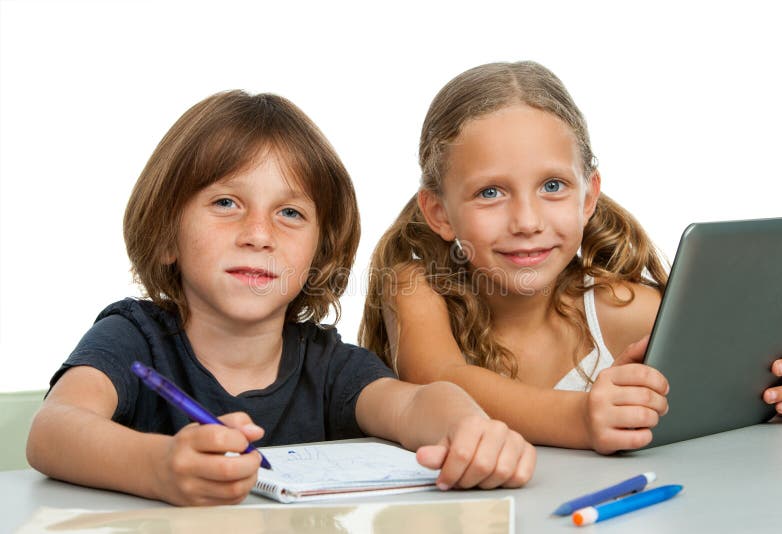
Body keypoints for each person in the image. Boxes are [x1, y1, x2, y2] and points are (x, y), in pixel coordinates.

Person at [26, 91, 535, 506]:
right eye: (226, 203)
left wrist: (470, 430)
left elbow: (417, 403)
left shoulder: (328, 366)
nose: (258, 234)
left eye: (289, 213)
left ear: (320, 254)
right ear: (165, 236)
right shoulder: (133, 337)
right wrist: (158, 468)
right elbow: (53, 430)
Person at [359, 61, 782, 454]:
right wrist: (580, 418)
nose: (527, 221)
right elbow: (440, 379)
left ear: (588, 197)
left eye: (552, 186)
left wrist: (781, 385)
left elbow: (742, 373)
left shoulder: (618, 309)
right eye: (490, 192)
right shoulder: (416, 285)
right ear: (439, 212)